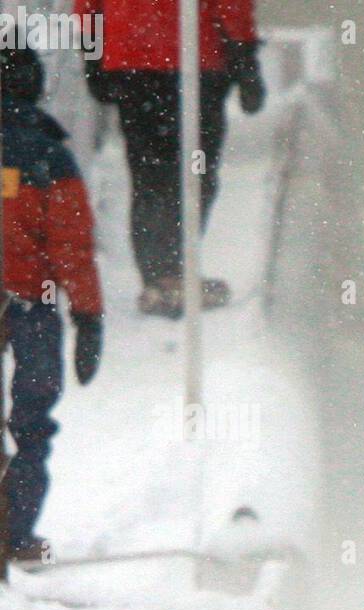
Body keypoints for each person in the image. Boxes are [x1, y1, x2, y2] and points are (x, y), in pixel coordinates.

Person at [73, 0, 266, 318]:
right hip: (197, 61)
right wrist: (245, 60)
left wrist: (93, 56)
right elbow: (232, 6)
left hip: (131, 60)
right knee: (196, 170)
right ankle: (174, 269)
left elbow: (87, 7)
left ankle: (158, 274)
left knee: (148, 174)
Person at [1, 49, 104, 563]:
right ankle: (15, 533)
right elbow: (70, 245)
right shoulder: (49, 156)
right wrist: (88, 316)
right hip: (30, 303)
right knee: (31, 423)